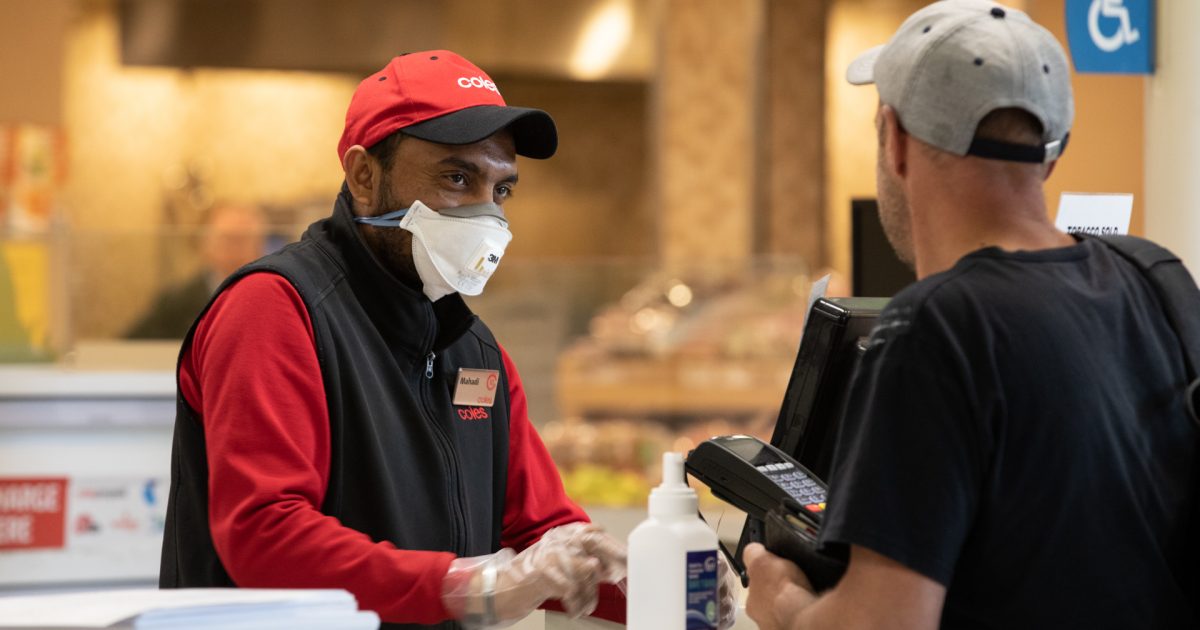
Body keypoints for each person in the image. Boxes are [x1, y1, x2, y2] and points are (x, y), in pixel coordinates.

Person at [743, 1, 1198, 629]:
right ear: (1052, 154)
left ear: (894, 140)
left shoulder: (932, 329)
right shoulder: (1156, 277)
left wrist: (785, 605)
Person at [159, 51, 630, 629]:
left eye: (501, 189)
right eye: (456, 177)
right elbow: (264, 533)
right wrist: (471, 585)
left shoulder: (476, 353)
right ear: (364, 176)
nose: (486, 211)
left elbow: (543, 534)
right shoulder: (275, 310)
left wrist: (675, 591)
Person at [125, 202, 266, 339]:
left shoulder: (272, 295)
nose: (235, 249)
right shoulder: (176, 302)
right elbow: (130, 346)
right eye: (228, 239)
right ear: (205, 243)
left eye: (243, 240)